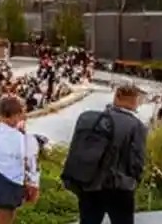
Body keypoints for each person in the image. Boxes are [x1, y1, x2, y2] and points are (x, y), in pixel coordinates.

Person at [62, 82, 148, 224]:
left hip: (89, 181)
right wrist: (135, 180)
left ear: (116, 97)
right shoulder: (136, 126)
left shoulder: (93, 119)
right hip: (119, 186)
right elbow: (136, 161)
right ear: (135, 100)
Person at [0, 95, 39, 224]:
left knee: (1, 211)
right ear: (16, 115)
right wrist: (33, 185)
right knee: (8, 212)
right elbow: (30, 162)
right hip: (11, 181)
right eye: (21, 114)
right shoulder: (22, 138)